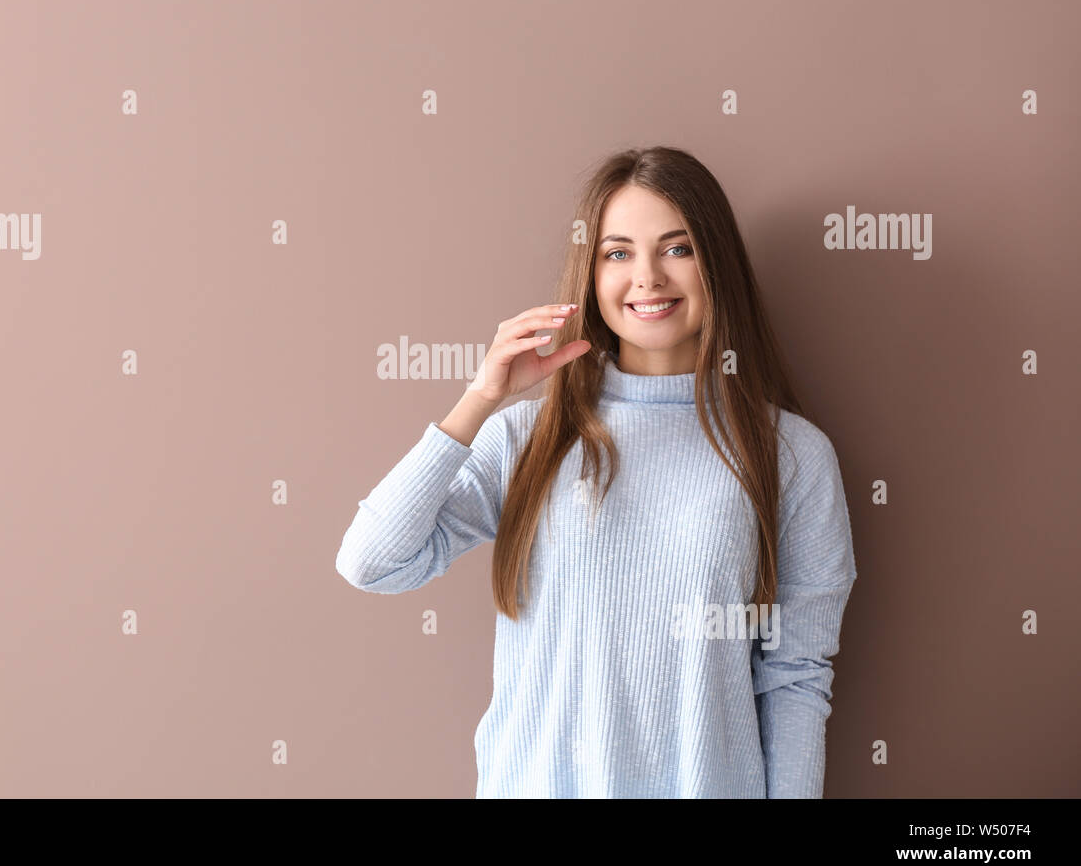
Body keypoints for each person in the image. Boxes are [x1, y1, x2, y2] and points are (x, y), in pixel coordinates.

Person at [335, 145, 858, 798]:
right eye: (618, 253)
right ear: (592, 273)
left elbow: (795, 679)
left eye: (678, 248)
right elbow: (372, 562)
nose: (647, 278)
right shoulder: (526, 438)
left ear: (716, 263)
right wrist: (480, 399)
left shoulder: (793, 455)